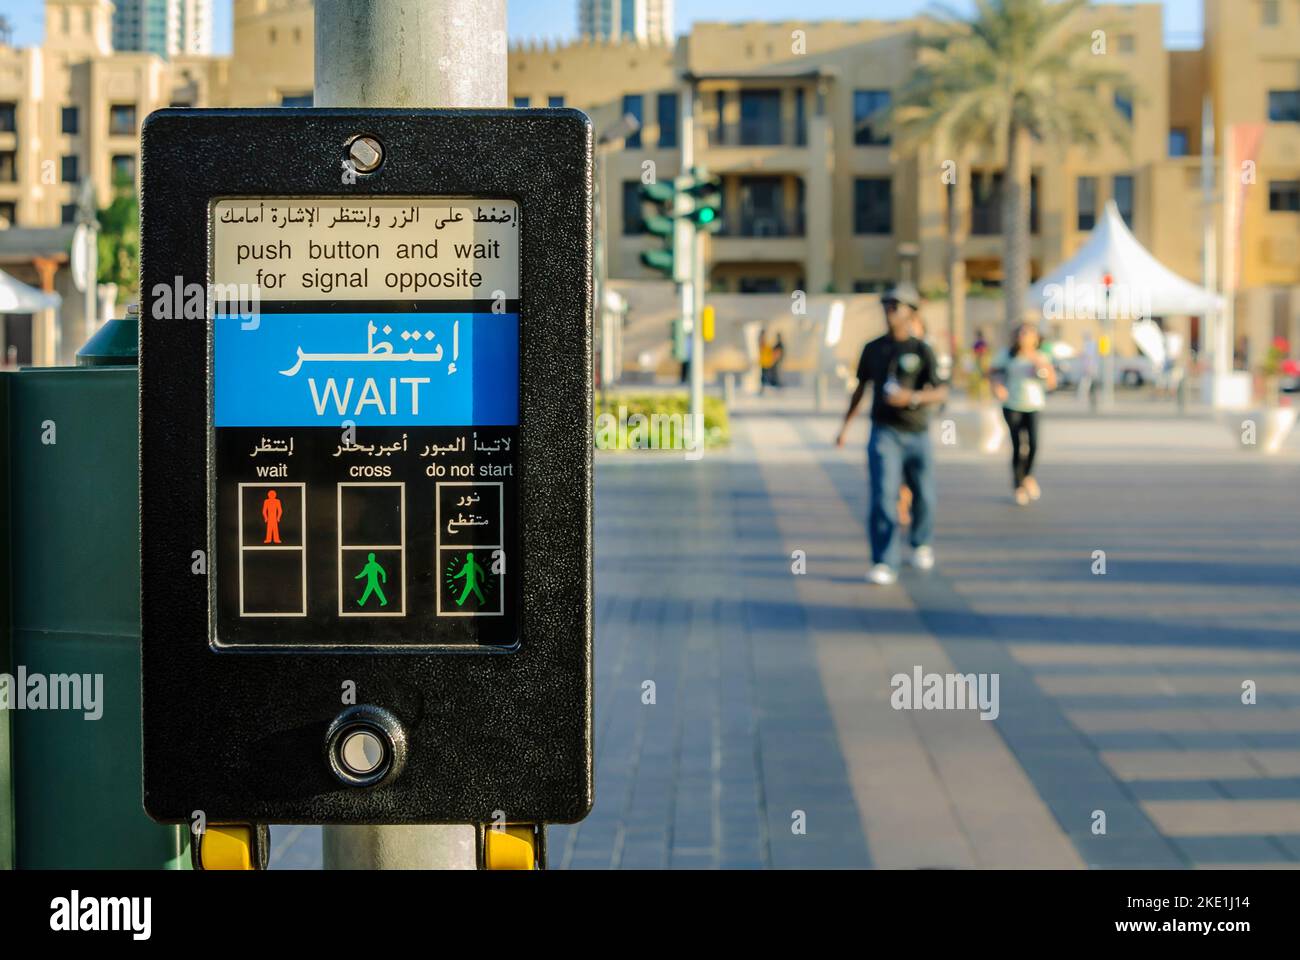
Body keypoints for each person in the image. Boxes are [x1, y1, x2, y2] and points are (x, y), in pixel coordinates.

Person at [835, 283, 948, 585]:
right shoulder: (873, 348)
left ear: (911, 313)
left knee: (923, 493)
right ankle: (884, 559)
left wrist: (911, 398)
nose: (890, 312)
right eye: (887, 305)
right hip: (884, 432)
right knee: (883, 495)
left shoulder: (922, 350)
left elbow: (940, 391)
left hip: (917, 432)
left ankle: (920, 542)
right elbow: (860, 389)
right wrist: (844, 427)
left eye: (896, 306)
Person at [991, 323, 1057, 506]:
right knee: (1018, 445)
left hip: (1034, 405)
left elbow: (1051, 383)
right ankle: (1018, 485)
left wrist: (1041, 367)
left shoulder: (1041, 357)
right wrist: (997, 387)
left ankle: (1028, 476)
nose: (1024, 337)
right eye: (1021, 334)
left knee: (1034, 444)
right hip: (1012, 405)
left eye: (1028, 334)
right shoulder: (1007, 355)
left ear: (1035, 338)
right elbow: (994, 374)